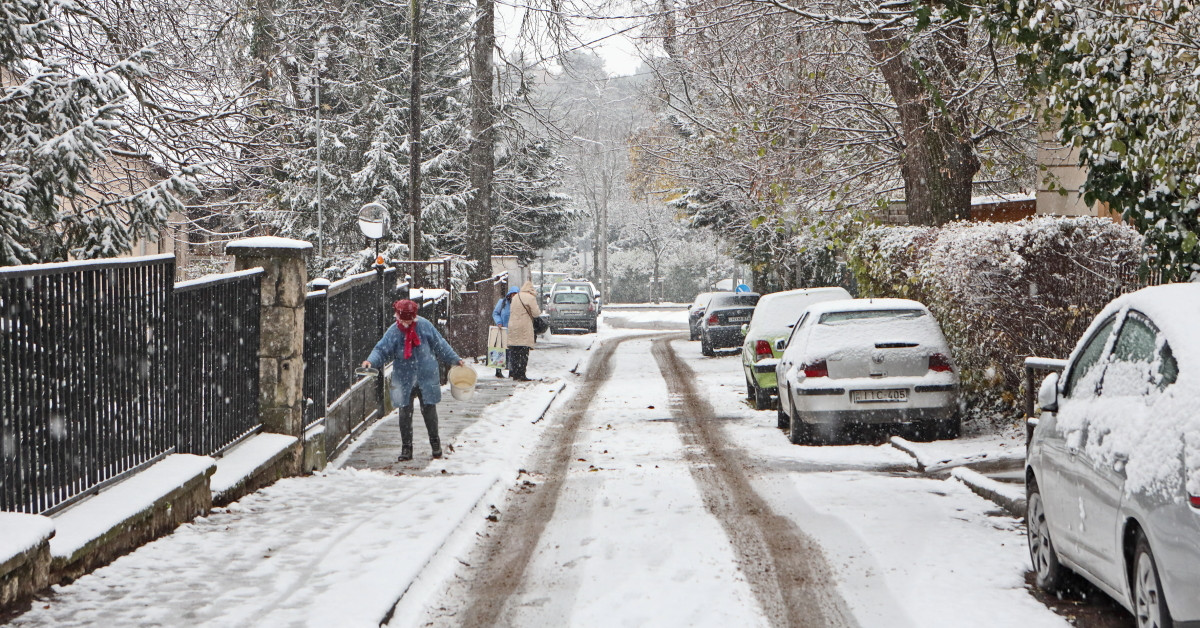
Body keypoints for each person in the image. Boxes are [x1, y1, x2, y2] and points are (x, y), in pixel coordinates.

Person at [362, 299, 463, 461]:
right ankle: (406, 448)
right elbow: (381, 349)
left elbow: (440, 344)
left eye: (409, 319)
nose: (406, 322)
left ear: (414, 316)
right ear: (397, 316)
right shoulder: (394, 331)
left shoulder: (425, 326)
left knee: (429, 410)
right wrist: (370, 361)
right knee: (404, 412)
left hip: (426, 375)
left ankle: (435, 443)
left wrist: (455, 359)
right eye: (403, 319)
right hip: (404, 377)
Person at [505, 280, 541, 381]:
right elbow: (536, 313)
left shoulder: (516, 297)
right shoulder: (531, 298)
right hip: (524, 327)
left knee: (515, 351)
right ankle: (522, 374)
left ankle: (515, 373)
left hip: (513, 326)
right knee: (524, 351)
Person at [490, 286, 519, 378]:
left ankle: (512, 371)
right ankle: (498, 371)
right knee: (500, 349)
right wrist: (499, 322)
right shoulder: (502, 302)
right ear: (509, 294)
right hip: (502, 330)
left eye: (516, 294)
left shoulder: (519, 305)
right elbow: (495, 313)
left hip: (514, 331)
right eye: (513, 294)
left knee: (512, 352)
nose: (514, 296)